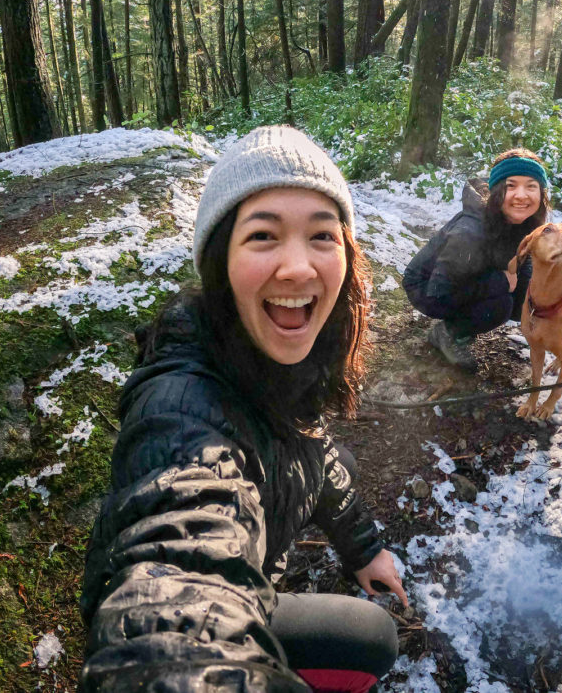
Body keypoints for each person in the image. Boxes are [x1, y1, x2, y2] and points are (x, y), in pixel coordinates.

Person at [80, 125, 405, 693]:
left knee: (341, 459)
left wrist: (365, 548)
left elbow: (315, 448)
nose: (299, 267)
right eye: (263, 236)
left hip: (260, 564)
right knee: (372, 637)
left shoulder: (281, 357)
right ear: (220, 264)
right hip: (229, 602)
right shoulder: (181, 410)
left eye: (322, 236)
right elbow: (178, 567)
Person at [403, 149, 550, 370]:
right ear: (497, 190)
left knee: (517, 304)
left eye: (531, 186)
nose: (522, 195)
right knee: (501, 305)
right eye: (511, 186)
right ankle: (447, 333)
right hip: (427, 289)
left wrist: (532, 308)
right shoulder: (470, 231)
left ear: (541, 194)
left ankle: (470, 318)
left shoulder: (525, 223)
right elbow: (440, 290)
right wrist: (499, 282)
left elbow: (524, 264)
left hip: (469, 277)